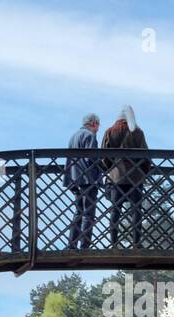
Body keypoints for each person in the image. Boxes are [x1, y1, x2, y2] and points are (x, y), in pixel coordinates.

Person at [100, 106, 150, 247]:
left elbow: (104, 156)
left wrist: (110, 168)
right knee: (136, 210)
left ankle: (114, 242)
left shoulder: (110, 131)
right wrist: (144, 172)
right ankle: (136, 242)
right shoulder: (138, 132)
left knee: (116, 209)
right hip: (135, 177)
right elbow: (145, 155)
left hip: (117, 177)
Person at [64, 113, 100, 250]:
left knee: (78, 212)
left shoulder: (74, 136)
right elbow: (91, 158)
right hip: (87, 178)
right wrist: (103, 166)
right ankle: (85, 245)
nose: (98, 128)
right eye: (98, 125)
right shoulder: (90, 136)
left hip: (74, 179)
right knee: (88, 213)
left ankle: (71, 245)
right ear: (94, 123)